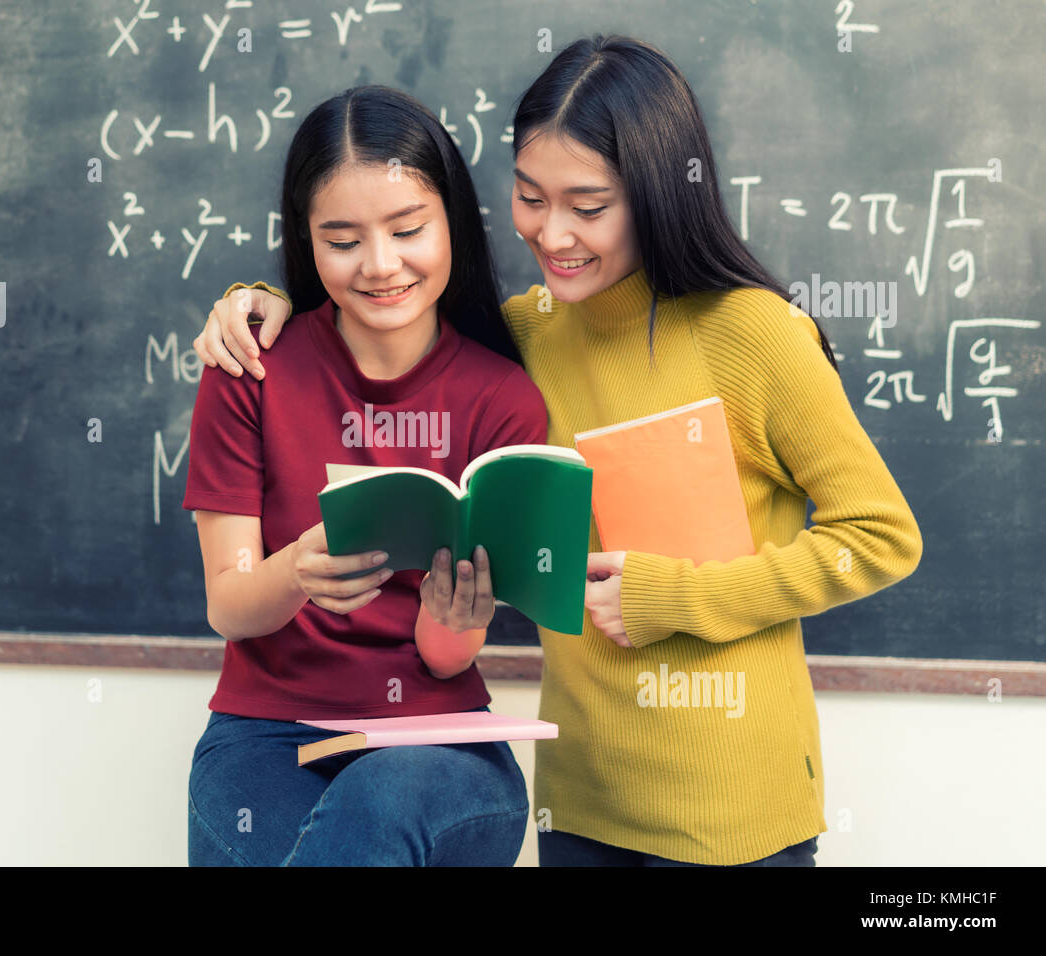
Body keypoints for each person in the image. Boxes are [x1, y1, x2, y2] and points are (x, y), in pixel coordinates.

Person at [192, 35, 924, 867]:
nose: (553, 232)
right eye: (532, 197)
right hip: (581, 800)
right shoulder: (528, 333)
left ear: (654, 194)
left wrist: (672, 597)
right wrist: (251, 300)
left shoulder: (755, 334)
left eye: (589, 204)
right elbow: (385, 309)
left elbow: (882, 537)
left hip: (734, 805)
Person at [182, 85, 550, 866]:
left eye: (408, 229)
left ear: (451, 220)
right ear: (306, 242)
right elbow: (231, 606)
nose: (382, 266)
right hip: (268, 730)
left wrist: (453, 617)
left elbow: (447, 659)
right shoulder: (250, 367)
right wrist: (297, 572)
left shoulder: (504, 397)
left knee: (379, 803)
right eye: (342, 239)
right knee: (343, 836)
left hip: (440, 738)